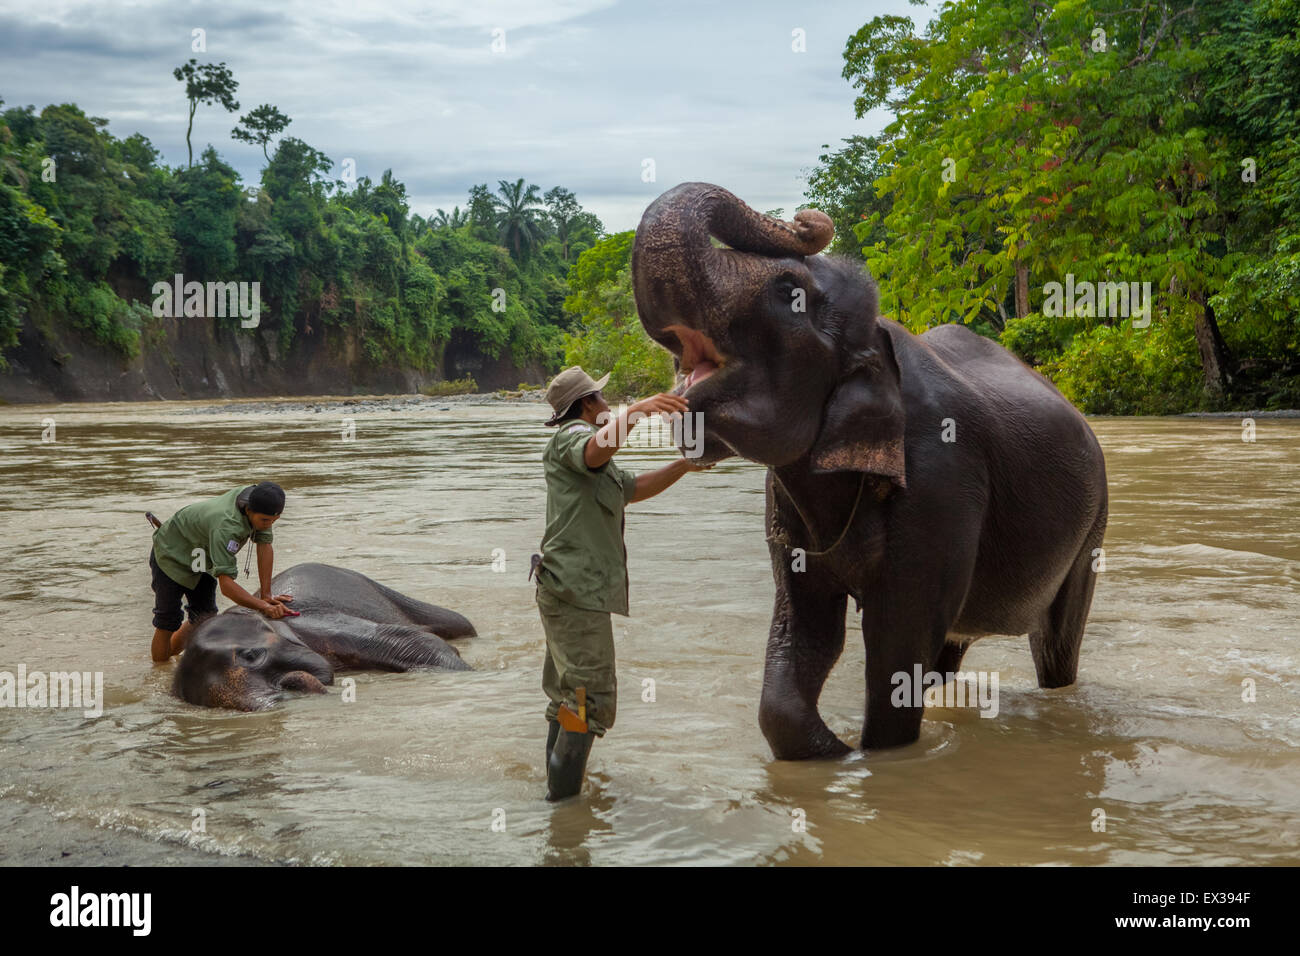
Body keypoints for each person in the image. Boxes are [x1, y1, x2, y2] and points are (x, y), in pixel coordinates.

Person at [533, 366, 708, 801]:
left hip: (570, 591)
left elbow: (633, 487)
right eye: (602, 398)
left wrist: (685, 465)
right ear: (587, 404)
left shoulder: (591, 451)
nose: (607, 405)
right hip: (575, 594)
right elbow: (594, 452)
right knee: (587, 701)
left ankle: (556, 795)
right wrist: (640, 410)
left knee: (568, 699)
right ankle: (565, 811)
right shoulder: (571, 438)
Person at [149, 482, 292, 662]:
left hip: (202, 555)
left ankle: (170, 657)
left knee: (203, 617)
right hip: (170, 554)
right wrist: (263, 606)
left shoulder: (262, 504)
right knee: (167, 620)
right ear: (248, 510)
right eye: (264, 520)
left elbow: (264, 545)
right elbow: (227, 586)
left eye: (274, 520)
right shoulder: (226, 526)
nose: (268, 525)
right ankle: (159, 667)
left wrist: (266, 594)